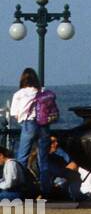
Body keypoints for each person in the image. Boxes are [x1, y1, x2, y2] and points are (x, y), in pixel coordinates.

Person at [9, 68, 51, 196]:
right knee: (43, 160)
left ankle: (20, 189)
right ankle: (45, 191)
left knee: (22, 158)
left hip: (29, 124)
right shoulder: (43, 91)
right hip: (43, 126)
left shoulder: (19, 94)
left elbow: (14, 114)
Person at [45, 134, 81, 201]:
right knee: (74, 175)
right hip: (54, 184)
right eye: (53, 142)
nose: (56, 143)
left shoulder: (58, 156)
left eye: (56, 141)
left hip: (61, 179)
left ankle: (75, 196)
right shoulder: (44, 159)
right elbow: (58, 171)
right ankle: (76, 197)